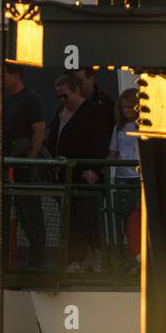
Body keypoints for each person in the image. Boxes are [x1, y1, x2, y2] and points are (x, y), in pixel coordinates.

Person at [50, 72, 113, 272]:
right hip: (64, 175)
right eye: (58, 97)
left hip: (85, 176)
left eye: (65, 95)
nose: (62, 100)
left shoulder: (93, 113)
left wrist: (94, 170)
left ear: (76, 90)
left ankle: (97, 256)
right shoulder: (60, 112)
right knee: (70, 219)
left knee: (87, 218)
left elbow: (100, 144)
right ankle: (75, 259)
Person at [0, 63, 49, 269]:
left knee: (31, 212)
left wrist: (29, 159)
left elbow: (39, 131)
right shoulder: (6, 100)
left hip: (23, 165)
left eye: (2, 76)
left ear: (15, 76)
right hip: (9, 163)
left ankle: (38, 260)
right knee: (19, 213)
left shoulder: (31, 99)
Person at [107, 88, 141, 267]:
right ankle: (125, 259)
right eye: (123, 108)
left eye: (129, 107)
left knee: (138, 219)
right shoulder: (119, 127)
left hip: (139, 178)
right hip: (122, 177)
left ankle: (138, 257)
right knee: (123, 218)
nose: (126, 111)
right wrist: (104, 170)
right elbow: (113, 152)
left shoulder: (144, 126)